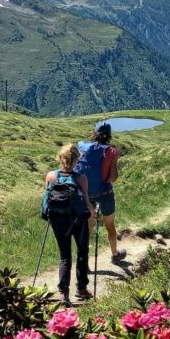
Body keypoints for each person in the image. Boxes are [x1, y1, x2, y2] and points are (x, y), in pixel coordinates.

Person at [44, 144, 96, 305]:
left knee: (64, 256)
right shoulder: (81, 179)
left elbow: (47, 201)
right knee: (82, 252)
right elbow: (86, 202)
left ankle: (63, 293)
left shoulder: (51, 176)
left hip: (58, 221)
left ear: (60, 158)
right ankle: (81, 288)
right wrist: (93, 213)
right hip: (78, 221)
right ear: (76, 159)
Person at [76, 123, 124, 263]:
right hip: (105, 194)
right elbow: (113, 178)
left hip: (86, 193)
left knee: (88, 227)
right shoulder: (112, 151)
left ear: (94, 133)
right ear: (109, 135)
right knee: (110, 225)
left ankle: (83, 262)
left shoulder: (83, 148)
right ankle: (115, 255)